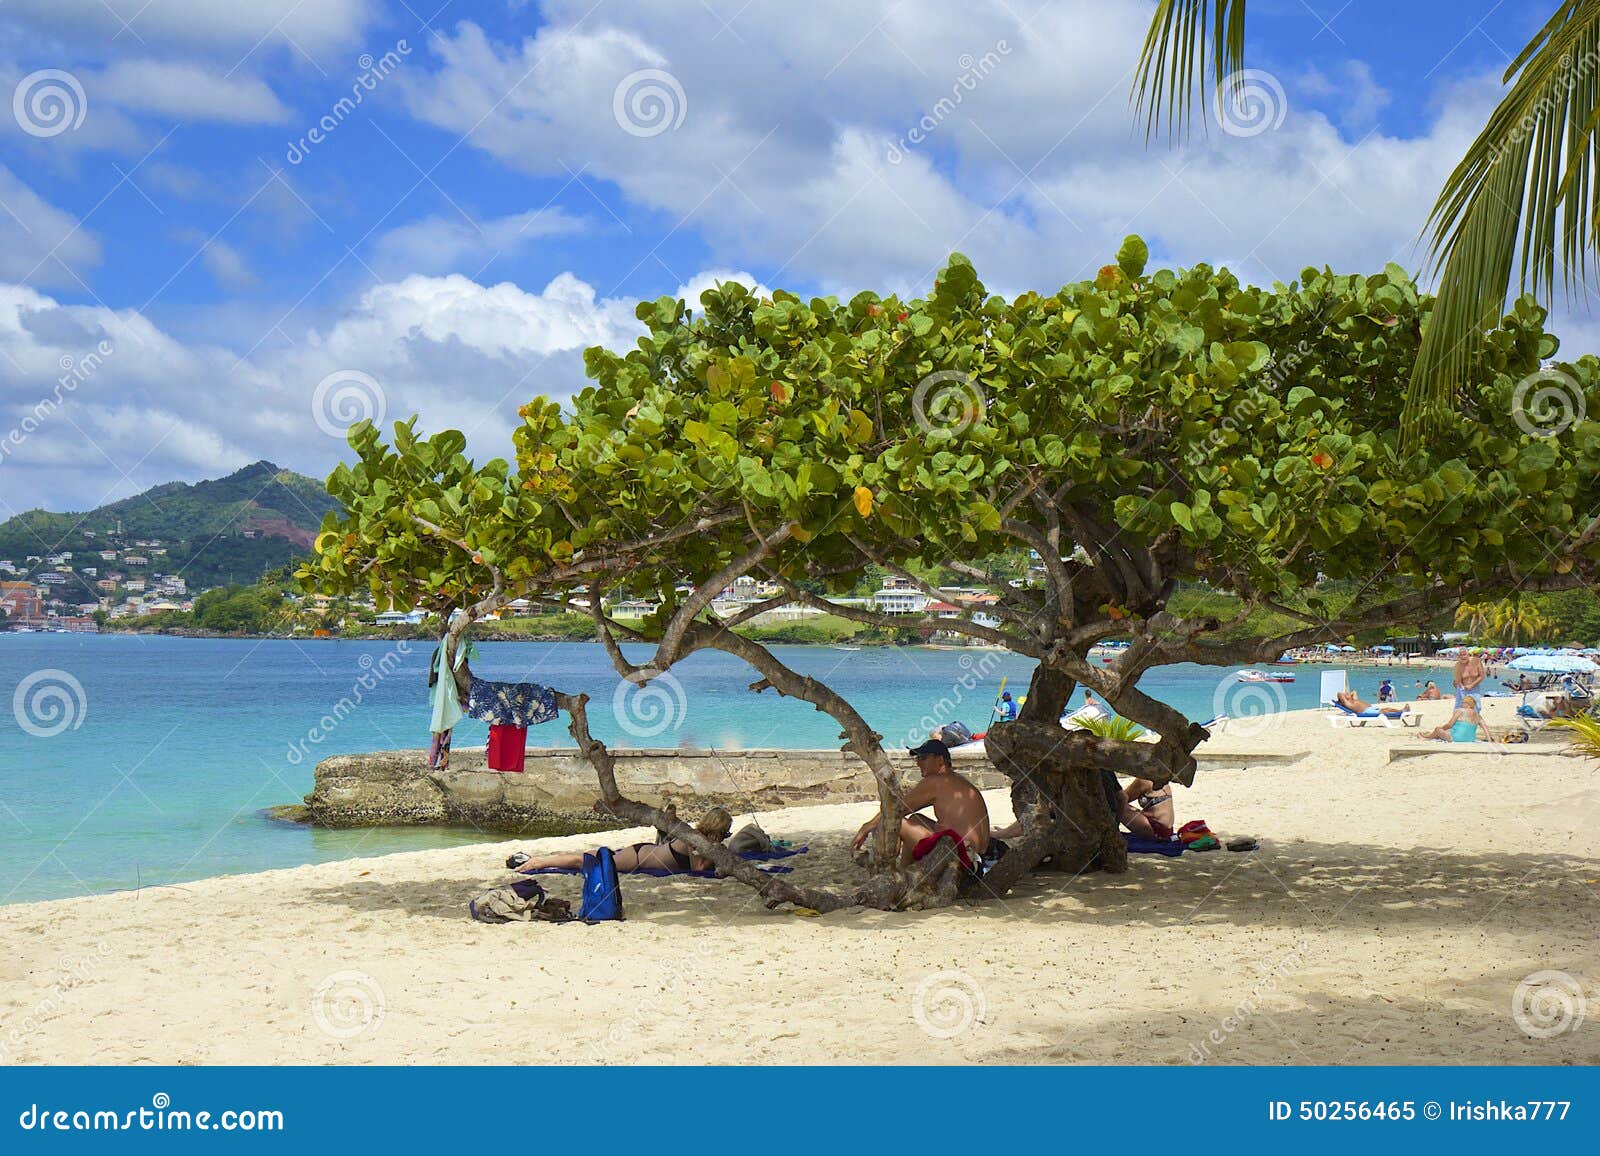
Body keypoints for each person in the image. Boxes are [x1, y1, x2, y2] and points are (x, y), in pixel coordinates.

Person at [852, 739, 990, 866]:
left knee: (894, 821)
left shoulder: (935, 781)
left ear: (940, 760)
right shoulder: (956, 779)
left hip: (961, 858)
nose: (918, 763)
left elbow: (895, 810)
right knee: (916, 819)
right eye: (917, 758)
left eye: (923, 758)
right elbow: (907, 806)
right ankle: (905, 871)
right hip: (978, 856)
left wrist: (867, 827)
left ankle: (890, 870)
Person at [511, 807, 734, 875]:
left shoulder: (701, 841)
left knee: (590, 857)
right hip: (638, 857)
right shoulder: (695, 841)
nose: (726, 835)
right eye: (725, 831)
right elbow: (698, 869)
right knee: (584, 862)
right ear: (718, 829)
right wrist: (717, 854)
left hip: (646, 851)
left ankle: (542, 858)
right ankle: (537, 862)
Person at [1418, 695, 1492, 743]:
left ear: (1468, 704)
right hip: (1470, 739)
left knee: (1437, 729)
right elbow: (1485, 728)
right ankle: (1427, 736)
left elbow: (1450, 725)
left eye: (1463, 703)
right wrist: (1489, 740)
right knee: (1446, 731)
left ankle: (1427, 737)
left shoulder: (1460, 711)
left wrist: (1442, 728)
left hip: (1456, 738)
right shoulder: (1478, 716)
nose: (1461, 704)